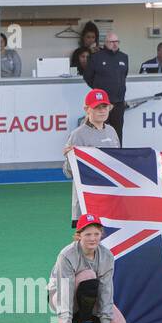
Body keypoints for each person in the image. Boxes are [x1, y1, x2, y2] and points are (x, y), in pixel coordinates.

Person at [48, 214, 127, 323]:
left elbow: (106, 288)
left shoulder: (107, 256)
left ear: (101, 234)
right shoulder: (66, 255)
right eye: (88, 234)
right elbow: (65, 288)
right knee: (88, 274)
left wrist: (105, 321)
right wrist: (65, 321)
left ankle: (86, 322)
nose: (93, 238)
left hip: (88, 293)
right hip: (59, 296)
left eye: (96, 234)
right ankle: (84, 322)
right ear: (79, 235)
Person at [62, 90, 121, 224]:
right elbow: (68, 173)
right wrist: (69, 158)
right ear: (87, 109)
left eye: (104, 107)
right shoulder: (78, 135)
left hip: (110, 198)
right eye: (97, 107)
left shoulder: (112, 131)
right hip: (87, 200)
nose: (102, 111)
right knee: (88, 241)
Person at [82, 33, 129, 141]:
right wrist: (98, 88)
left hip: (118, 103)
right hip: (101, 104)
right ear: (106, 43)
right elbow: (88, 76)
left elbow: (124, 75)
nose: (115, 44)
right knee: (100, 131)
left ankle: (117, 155)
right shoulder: (96, 57)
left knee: (117, 133)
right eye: (112, 42)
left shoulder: (124, 57)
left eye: (117, 41)